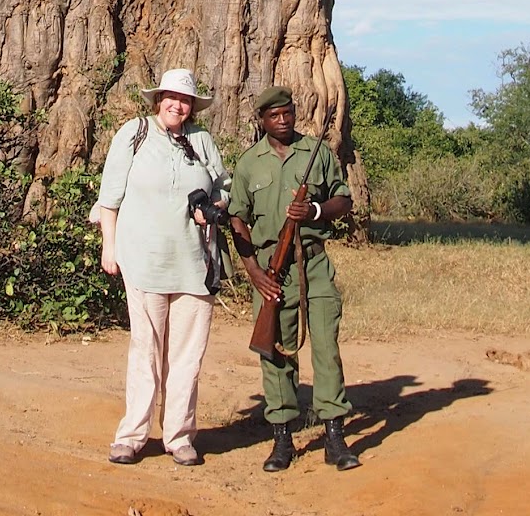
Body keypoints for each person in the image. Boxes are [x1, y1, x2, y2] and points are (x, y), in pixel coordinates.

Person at [94, 67, 228, 468]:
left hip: (195, 263)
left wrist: (212, 208)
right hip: (145, 261)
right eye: (172, 97)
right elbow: (109, 199)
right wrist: (109, 248)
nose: (178, 105)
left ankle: (180, 436)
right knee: (145, 350)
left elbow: (223, 190)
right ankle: (132, 435)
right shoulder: (133, 134)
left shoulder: (202, 141)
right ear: (158, 99)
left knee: (188, 355)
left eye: (185, 100)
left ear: (192, 106)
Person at [227, 85, 361, 472]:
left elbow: (343, 198)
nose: (283, 121)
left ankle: (334, 436)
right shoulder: (250, 162)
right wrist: (254, 272)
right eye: (275, 116)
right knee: (275, 353)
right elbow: (237, 217)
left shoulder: (316, 154)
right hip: (270, 268)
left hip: (313, 265)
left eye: (288, 113)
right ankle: (282, 438)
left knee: (325, 347)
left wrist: (316, 210)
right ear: (262, 121)